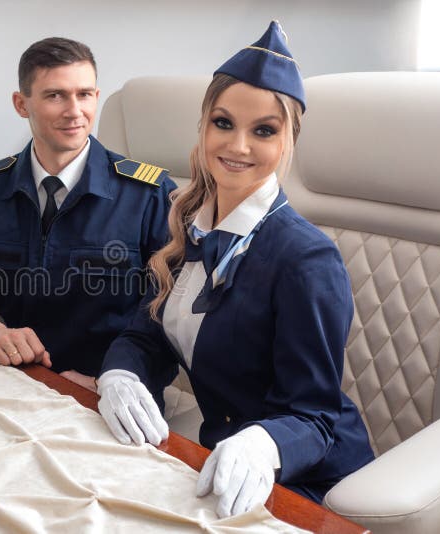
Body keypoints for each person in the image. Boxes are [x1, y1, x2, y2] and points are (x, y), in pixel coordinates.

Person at [96, 21, 374, 517]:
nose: (238, 145)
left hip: (311, 480)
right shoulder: (187, 223)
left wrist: (263, 445)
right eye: (223, 123)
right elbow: (146, 336)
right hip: (217, 455)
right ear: (203, 127)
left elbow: (314, 416)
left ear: (289, 140)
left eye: (263, 130)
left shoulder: (307, 259)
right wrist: (119, 374)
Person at [0, 37, 176, 389]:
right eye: (55, 95)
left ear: (96, 98)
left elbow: (169, 312)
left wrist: (112, 378)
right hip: (15, 377)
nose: (74, 111)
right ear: (21, 104)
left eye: (84, 94)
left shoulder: (148, 194)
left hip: (111, 386)